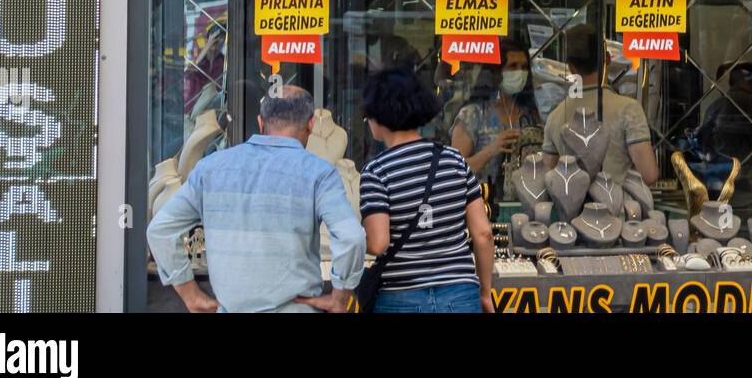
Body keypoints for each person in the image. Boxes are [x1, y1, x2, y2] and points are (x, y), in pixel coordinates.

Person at [147, 85, 365, 313]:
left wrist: (191, 296)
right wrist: (340, 297)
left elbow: (159, 229)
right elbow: (351, 237)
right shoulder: (319, 173)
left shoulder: (210, 169)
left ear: (260, 123)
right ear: (311, 125)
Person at [359, 67, 495, 313]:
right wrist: (485, 292)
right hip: (460, 294)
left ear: (378, 117)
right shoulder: (454, 160)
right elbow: (483, 233)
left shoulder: (376, 172)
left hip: (400, 297)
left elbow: (378, 244)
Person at [541, 25, 658, 185]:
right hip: (618, 207)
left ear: (570, 66)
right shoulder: (628, 109)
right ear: (608, 58)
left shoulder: (555, 116)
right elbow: (649, 175)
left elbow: (548, 178)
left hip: (571, 209)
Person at [451, 41, 543, 200]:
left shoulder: (530, 115)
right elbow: (454, 171)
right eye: (513, 66)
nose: (520, 72)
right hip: (481, 204)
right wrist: (492, 150)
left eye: (524, 67)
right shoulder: (472, 115)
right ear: (496, 72)